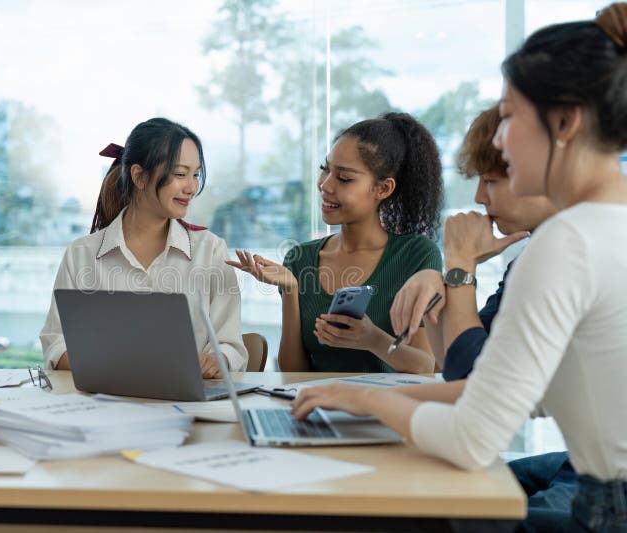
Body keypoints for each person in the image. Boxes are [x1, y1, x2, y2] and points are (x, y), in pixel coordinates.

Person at [292, 4, 627, 530]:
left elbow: (473, 436)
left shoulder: (567, 242)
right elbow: (516, 393)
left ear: (565, 123)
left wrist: (364, 400)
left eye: (510, 115)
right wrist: (351, 396)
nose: (498, 138)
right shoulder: (605, 227)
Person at [392, 105, 575, 530]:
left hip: (608, 483)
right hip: (578, 460)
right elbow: (457, 366)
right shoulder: (533, 255)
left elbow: (473, 377)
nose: (479, 199)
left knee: (445, 513)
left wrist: (460, 267)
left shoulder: (562, 256)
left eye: (492, 180)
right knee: (441, 490)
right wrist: (442, 281)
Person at [229, 112, 443, 373]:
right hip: (317, 408)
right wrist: (290, 291)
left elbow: (426, 366)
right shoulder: (299, 258)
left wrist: (373, 340)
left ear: (383, 189)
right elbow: (293, 373)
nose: (325, 185)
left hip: (385, 409)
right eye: (325, 170)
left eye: (344, 178)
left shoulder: (416, 255)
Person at [40, 117, 248, 376]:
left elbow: (231, 347)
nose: (192, 187)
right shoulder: (81, 255)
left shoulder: (211, 250)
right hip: (102, 406)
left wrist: (220, 359)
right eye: (180, 174)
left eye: (195, 175)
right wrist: (117, 369)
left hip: (188, 408)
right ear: (139, 176)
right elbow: (56, 343)